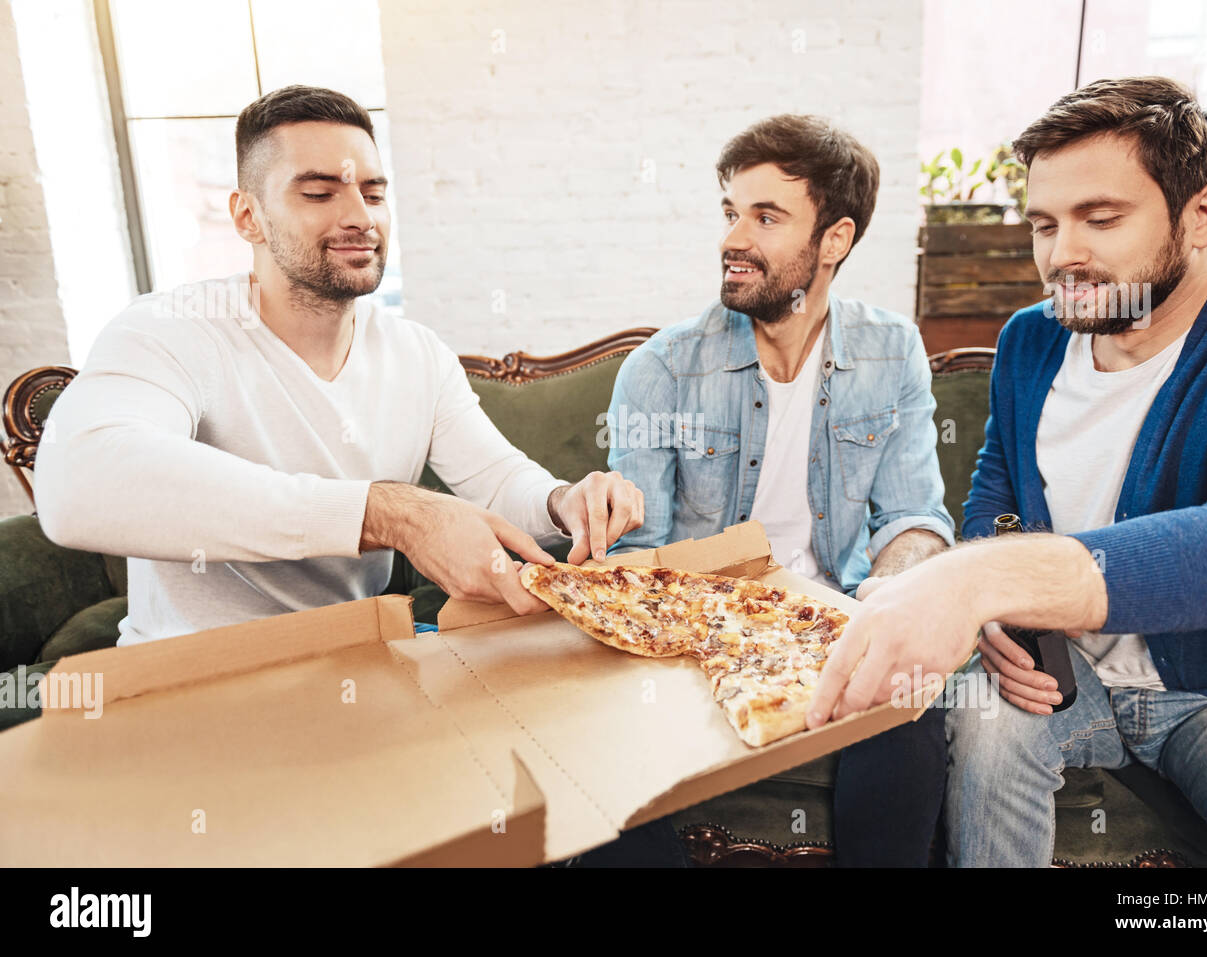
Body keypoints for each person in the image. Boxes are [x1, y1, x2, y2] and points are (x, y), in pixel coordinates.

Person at [807, 76, 1207, 867]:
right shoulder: (1030, 341)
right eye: (1044, 224)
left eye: (1100, 219)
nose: (1061, 254)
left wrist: (981, 582)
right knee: (989, 725)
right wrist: (1004, 612)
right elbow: (994, 501)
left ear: (1203, 213)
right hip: (1062, 678)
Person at [34, 85, 644, 646]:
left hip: (363, 658)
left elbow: (500, 480)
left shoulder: (416, 353)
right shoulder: (171, 328)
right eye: (320, 193)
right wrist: (390, 514)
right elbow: (76, 485)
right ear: (247, 216)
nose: (361, 217)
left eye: (373, 193)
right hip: (195, 677)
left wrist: (563, 501)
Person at [606, 114, 956, 866]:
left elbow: (913, 518)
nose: (735, 237)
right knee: (612, 789)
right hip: (701, 639)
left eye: (767, 217)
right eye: (731, 212)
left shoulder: (892, 352)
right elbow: (640, 561)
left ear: (834, 239)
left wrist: (889, 602)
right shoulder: (660, 371)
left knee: (914, 724)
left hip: (837, 628)